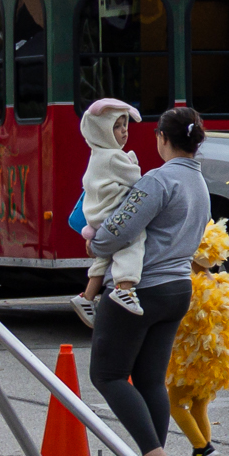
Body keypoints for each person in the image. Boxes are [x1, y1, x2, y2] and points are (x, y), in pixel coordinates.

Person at [83, 104, 210, 456]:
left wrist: (95, 243)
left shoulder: (158, 181)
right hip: (177, 289)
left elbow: (117, 229)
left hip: (142, 288)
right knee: (151, 379)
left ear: (162, 139)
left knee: (107, 375)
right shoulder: (199, 183)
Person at [164, 218, 229, 456]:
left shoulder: (189, 286)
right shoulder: (223, 284)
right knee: (199, 407)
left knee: (174, 404)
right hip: (214, 364)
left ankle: (202, 449)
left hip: (189, 361)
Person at [72, 97, 146, 323]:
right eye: (116, 126)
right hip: (111, 216)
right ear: (101, 131)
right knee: (132, 241)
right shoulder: (113, 157)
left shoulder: (97, 153)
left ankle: (87, 296)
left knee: (103, 258)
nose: (124, 131)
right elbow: (137, 179)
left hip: (96, 217)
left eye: (125, 125)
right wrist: (132, 159)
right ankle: (125, 288)